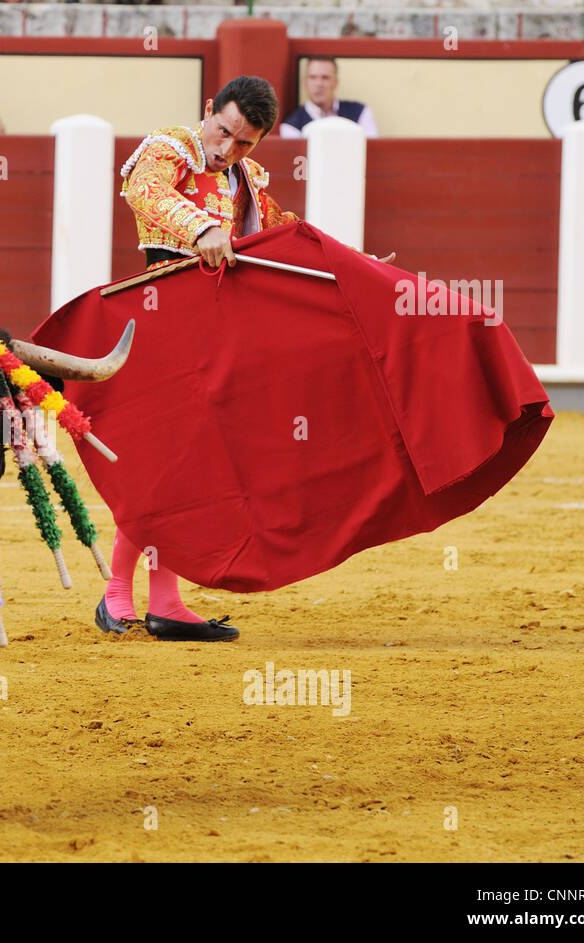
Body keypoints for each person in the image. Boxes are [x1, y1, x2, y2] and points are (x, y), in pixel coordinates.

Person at [103, 76, 299, 642]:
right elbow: (147, 194)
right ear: (209, 111)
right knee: (163, 464)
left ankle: (161, 598)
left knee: (193, 468)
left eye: (244, 145)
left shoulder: (246, 178)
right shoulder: (169, 149)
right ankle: (125, 592)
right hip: (163, 328)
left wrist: (357, 266)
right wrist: (204, 226)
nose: (227, 150)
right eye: (224, 133)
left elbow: (286, 232)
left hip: (219, 337)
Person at [279, 57, 378, 139]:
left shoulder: (360, 112)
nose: (319, 84)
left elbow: (371, 152)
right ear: (305, 82)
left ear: (336, 82)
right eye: (313, 77)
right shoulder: (291, 126)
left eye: (325, 77)